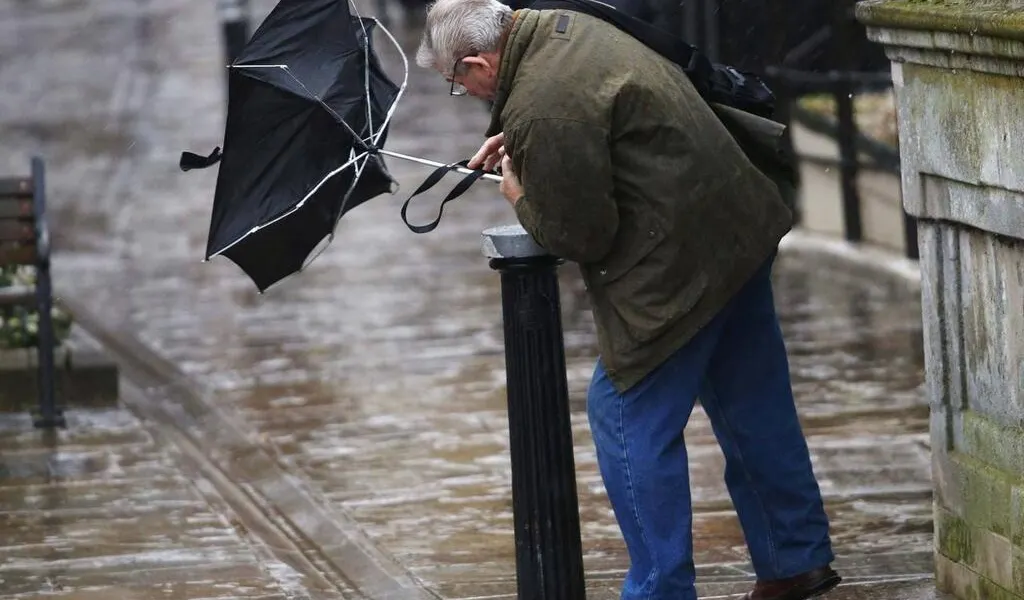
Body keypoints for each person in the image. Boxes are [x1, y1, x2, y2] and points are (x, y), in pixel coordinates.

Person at [415, 1, 840, 599]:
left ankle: (659, 590)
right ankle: (795, 560)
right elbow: (596, 108)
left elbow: (579, 234)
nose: (466, 93)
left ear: (478, 63)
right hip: (737, 224)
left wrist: (519, 193)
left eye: (457, 82)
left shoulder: (544, 104)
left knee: (621, 412)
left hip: (679, 263)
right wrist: (532, 139)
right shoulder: (565, 28)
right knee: (751, 403)